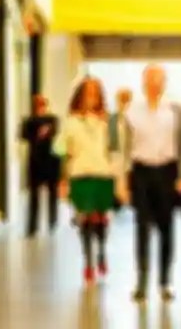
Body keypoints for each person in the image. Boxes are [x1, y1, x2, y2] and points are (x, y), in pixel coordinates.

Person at [114, 64, 181, 302]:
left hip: (167, 171)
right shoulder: (132, 111)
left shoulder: (176, 110)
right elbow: (124, 148)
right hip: (141, 172)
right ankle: (141, 282)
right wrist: (122, 180)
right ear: (143, 83)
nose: (154, 85)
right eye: (150, 80)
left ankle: (165, 282)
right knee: (142, 229)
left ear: (165, 83)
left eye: (159, 80)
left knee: (167, 229)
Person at [54, 76, 118, 286]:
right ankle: (88, 261)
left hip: (102, 174)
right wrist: (63, 180)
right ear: (80, 96)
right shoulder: (71, 122)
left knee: (100, 219)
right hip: (80, 175)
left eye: (95, 93)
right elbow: (61, 150)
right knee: (84, 219)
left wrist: (119, 179)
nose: (91, 97)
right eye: (88, 93)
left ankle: (101, 252)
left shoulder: (108, 121)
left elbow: (115, 150)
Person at [19, 95, 61, 237]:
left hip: (50, 159)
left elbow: (56, 133)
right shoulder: (30, 121)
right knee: (34, 195)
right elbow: (23, 135)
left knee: (52, 193)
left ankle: (52, 221)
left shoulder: (52, 120)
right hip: (35, 160)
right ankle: (32, 225)